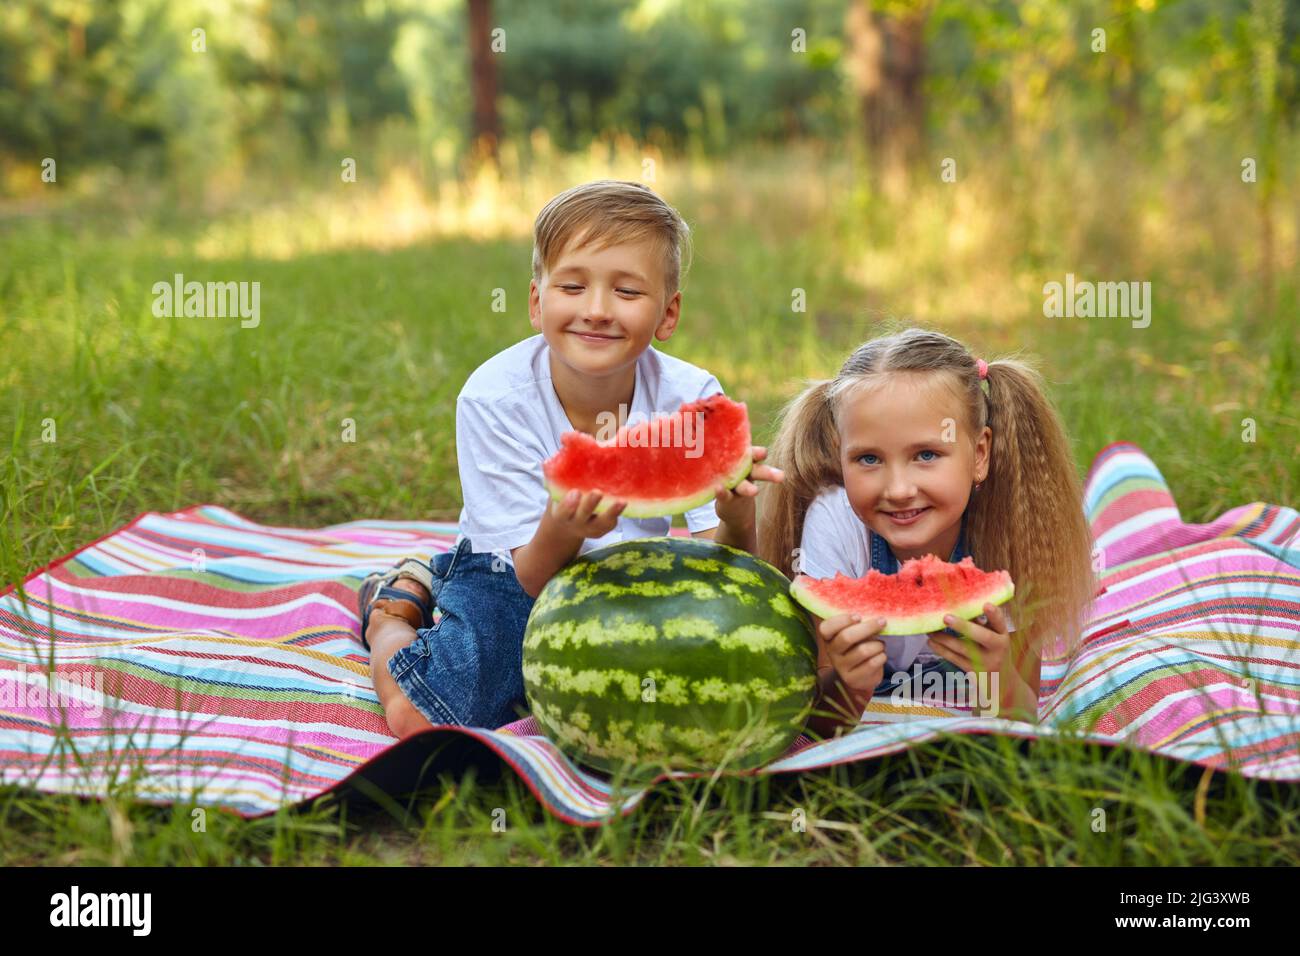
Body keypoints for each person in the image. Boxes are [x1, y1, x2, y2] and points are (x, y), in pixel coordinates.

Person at [358, 179, 781, 738]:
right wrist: (563, 526)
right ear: (537, 302)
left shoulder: (695, 398)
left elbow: (726, 572)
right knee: (424, 721)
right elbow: (532, 574)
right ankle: (392, 610)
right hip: (510, 570)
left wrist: (736, 517)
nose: (599, 310)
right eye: (573, 287)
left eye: (628, 293)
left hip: (633, 580)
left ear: (668, 314)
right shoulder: (493, 398)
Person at [759, 326, 1096, 734]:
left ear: (980, 455)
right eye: (868, 459)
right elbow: (816, 729)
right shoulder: (835, 523)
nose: (899, 490)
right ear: (840, 455)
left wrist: (997, 675)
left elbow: (1024, 720)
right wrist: (848, 686)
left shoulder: (1008, 529)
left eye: (926, 454)